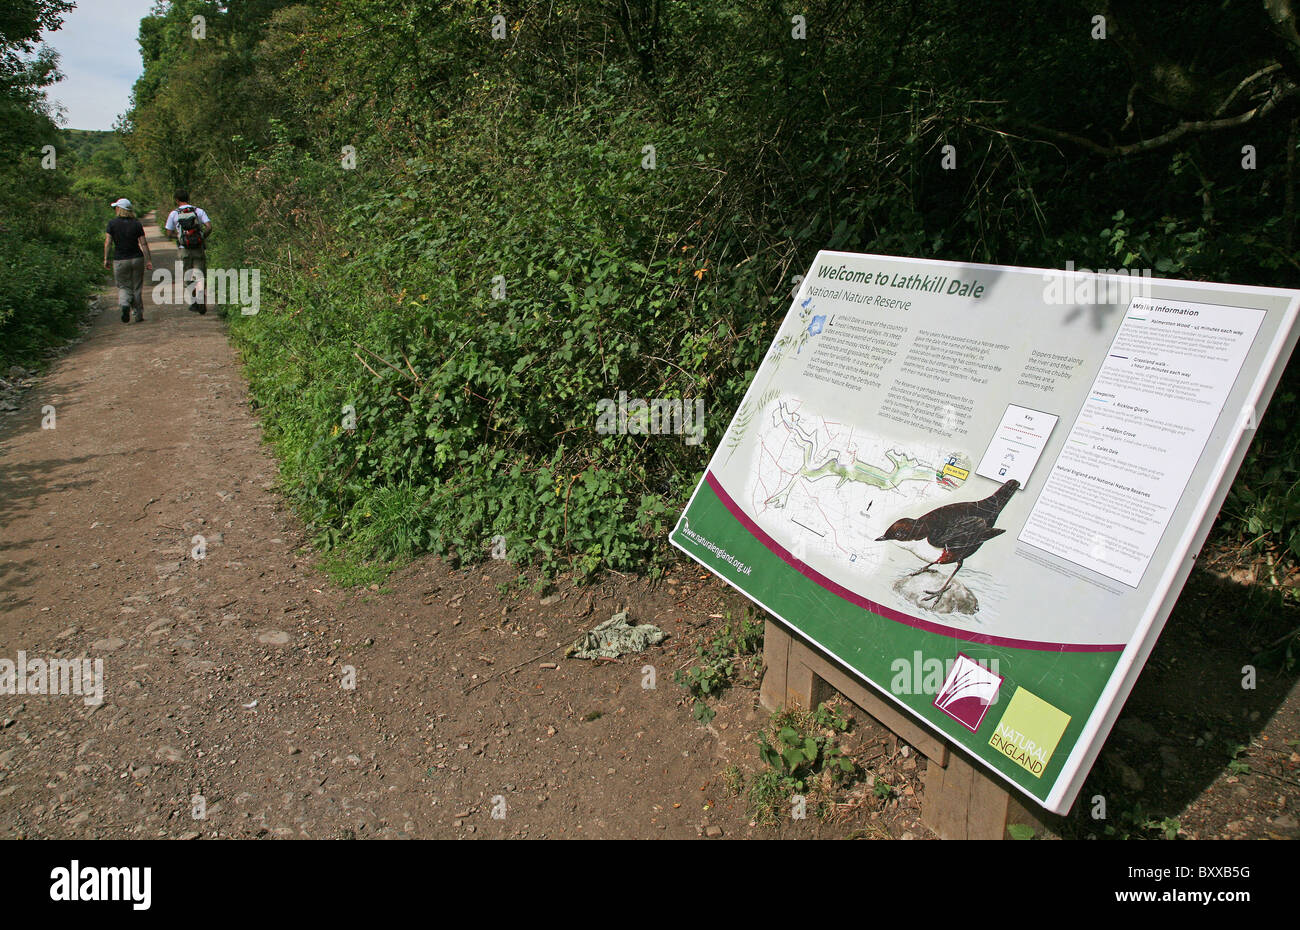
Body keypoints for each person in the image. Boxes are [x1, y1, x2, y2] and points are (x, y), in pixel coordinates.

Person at [103, 198, 153, 323]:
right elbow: (144, 243)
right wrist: (148, 260)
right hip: (137, 258)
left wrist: (106, 258)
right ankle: (138, 314)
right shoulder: (136, 223)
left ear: (120, 209)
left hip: (120, 260)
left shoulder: (112, 224)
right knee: (136, 287)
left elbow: (108, 242)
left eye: (116, 207)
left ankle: (125, 304)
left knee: (124, 286)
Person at [163, 189, 212, 315]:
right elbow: (209, 226)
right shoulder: (198, 211)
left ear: (176, 200)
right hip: (198, 249)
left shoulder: (174, 214)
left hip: (183, 250)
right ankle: (201, 294)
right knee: (199, 274)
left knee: (188, 276)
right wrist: (201, 237)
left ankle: (195, 300)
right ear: (188, 198)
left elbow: (168, 233)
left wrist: (180, 238)